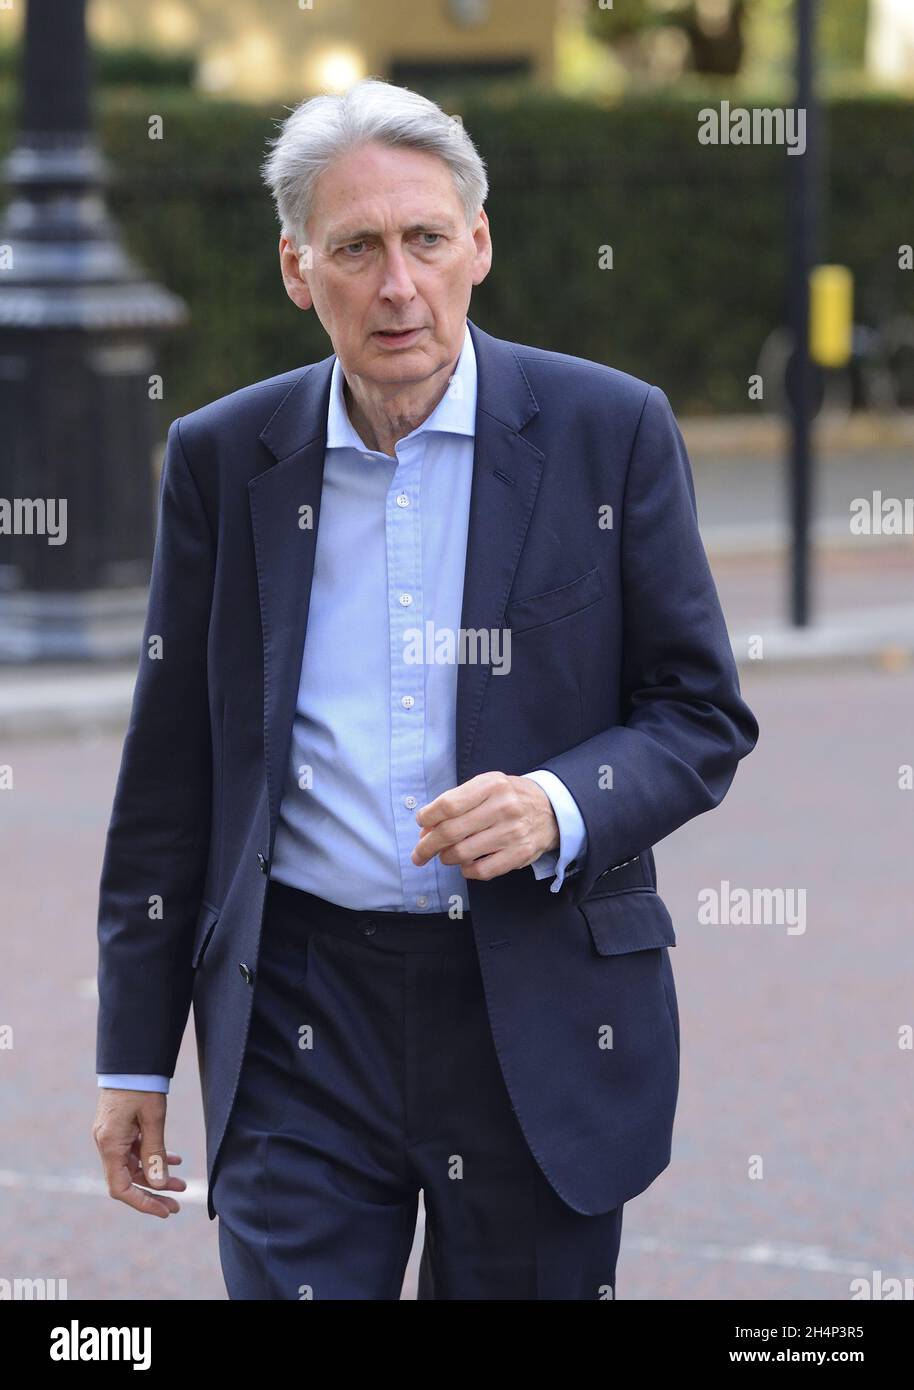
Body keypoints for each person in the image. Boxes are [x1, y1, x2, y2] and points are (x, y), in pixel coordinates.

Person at [92, 77, 758, 1300]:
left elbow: (697, 713)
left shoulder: (606, 431)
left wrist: (558, 804)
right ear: (298, 269)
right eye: (356, 248)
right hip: (299, 1013)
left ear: (478, 245)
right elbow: (170, 776)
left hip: (536, 1004)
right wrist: (131, 1057)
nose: (397, 286)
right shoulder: (221, 458)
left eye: (425, 240)